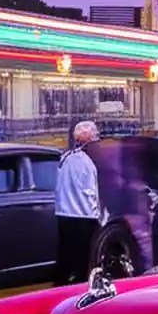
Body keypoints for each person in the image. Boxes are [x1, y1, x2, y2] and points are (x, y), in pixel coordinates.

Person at [54, 121, 101, 286]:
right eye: (95, 135)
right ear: (88, 138)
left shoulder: (65, 157)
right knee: (83, 262)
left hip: (64, 214)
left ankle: (60, 289)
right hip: (84, 217)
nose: (97, 139)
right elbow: (91, 192)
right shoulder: (88, 161)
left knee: (65, 260)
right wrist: (99, 216)